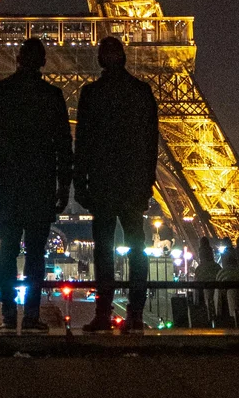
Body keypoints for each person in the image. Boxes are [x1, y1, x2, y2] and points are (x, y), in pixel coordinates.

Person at [0, 36, 72, 332]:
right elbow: (64, 145)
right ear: (43, 62)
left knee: (7, 252)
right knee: (36, 254)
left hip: (9, 183)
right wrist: (64, 184)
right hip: (40, 183)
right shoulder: (51, 96)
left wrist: (5, 140)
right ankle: (30, 316)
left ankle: (7, 316)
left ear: (16, 59)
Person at [73, 34, 159, 333]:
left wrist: (79, 181)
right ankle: (134, 313)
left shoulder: (92, 94)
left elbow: (83, 142)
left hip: (105, 182)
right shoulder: (140, 92)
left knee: (105, 250)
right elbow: (150, 142)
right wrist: (148, 180)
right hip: (130, 182)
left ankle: (104, 312)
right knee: (136, 248)